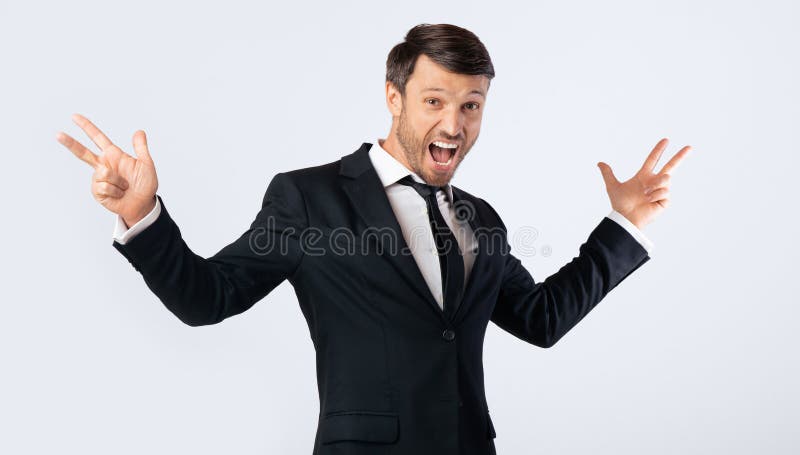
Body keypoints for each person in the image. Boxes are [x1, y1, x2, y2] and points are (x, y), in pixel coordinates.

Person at [57, 23, 690, 455]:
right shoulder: (309, 198)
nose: (454, 123)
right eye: (434, 100)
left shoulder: (482, 220)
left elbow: (541, 318)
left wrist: (625, 227)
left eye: (471, 106)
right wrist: (143, 218)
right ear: (394, 97)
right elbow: (208, 297)